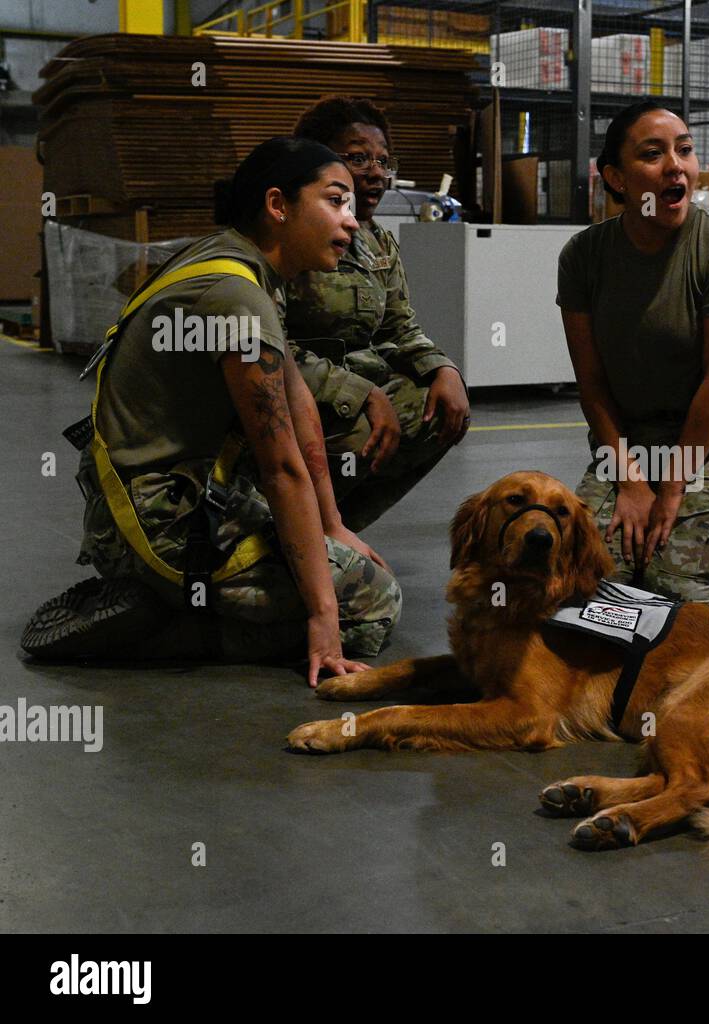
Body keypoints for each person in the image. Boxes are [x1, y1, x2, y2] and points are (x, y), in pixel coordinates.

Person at [23, 137, 400, 686]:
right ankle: (162, 628)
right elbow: (281, 467)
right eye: (336, 201)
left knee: (338, 563)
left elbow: (298, 406)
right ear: (278, 206)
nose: (353, 223)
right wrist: (324, 618)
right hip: (156, 521)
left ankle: (173, 602)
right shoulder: (235, 294)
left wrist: (334, 526)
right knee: (371, 604)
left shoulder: (240, 263)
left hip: (181, 487)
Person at [556, 100, 709, 612]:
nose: (676, 165)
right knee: (583, 587)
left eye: (684, 150)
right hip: (634, 443)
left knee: (679, 599)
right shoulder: (583, 258)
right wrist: (632, 482)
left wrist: (674, 489)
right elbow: (592, 386)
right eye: (653, 154)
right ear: (615, 177)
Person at [287, 96, 471, 529]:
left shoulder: (378, 242)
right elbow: (272, 348)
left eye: (384, 161)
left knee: (444, 413)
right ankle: (294, 534)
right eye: (357, 158)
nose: (375, 173)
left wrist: (442, 369)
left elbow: (400, 325)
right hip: (299, 395)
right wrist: (362, 394)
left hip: (356, 388)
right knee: (360, 439)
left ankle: (337, 532)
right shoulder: (288, 238)